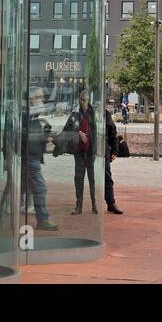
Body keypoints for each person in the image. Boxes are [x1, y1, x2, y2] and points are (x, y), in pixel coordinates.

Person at [24, 88, 57, 230]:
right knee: (40, 188)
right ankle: (42, 220)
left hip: (32, 157)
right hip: (30, 158)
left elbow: (35, 138)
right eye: (39, 97)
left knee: (19, 188)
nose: (42, 100)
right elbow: (27, 137)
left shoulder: (33, 117)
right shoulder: (28, 117)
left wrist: (47, 130)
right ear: (31, 99)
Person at [64, 89, 97, 215]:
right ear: (79, 100)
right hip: (79, 151)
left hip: (90, 151)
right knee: (79, 178)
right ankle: (79, 206)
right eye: (82, 100)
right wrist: (78, 132)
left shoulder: (92, 113)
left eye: (86, 100)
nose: (84, 102)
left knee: (92, 178)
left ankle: (94, 203)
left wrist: (94, 151)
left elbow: (96, 132)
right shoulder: (75, 114)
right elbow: (67, 129)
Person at [103, 107, 123, 215]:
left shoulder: (105, 113)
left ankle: (111, 203)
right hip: (86, 150)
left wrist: (114, 149)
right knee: (80, 176)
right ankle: (80, 203)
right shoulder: (80, 113)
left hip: (102, 150)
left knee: (107, 176)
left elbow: (112, 131)